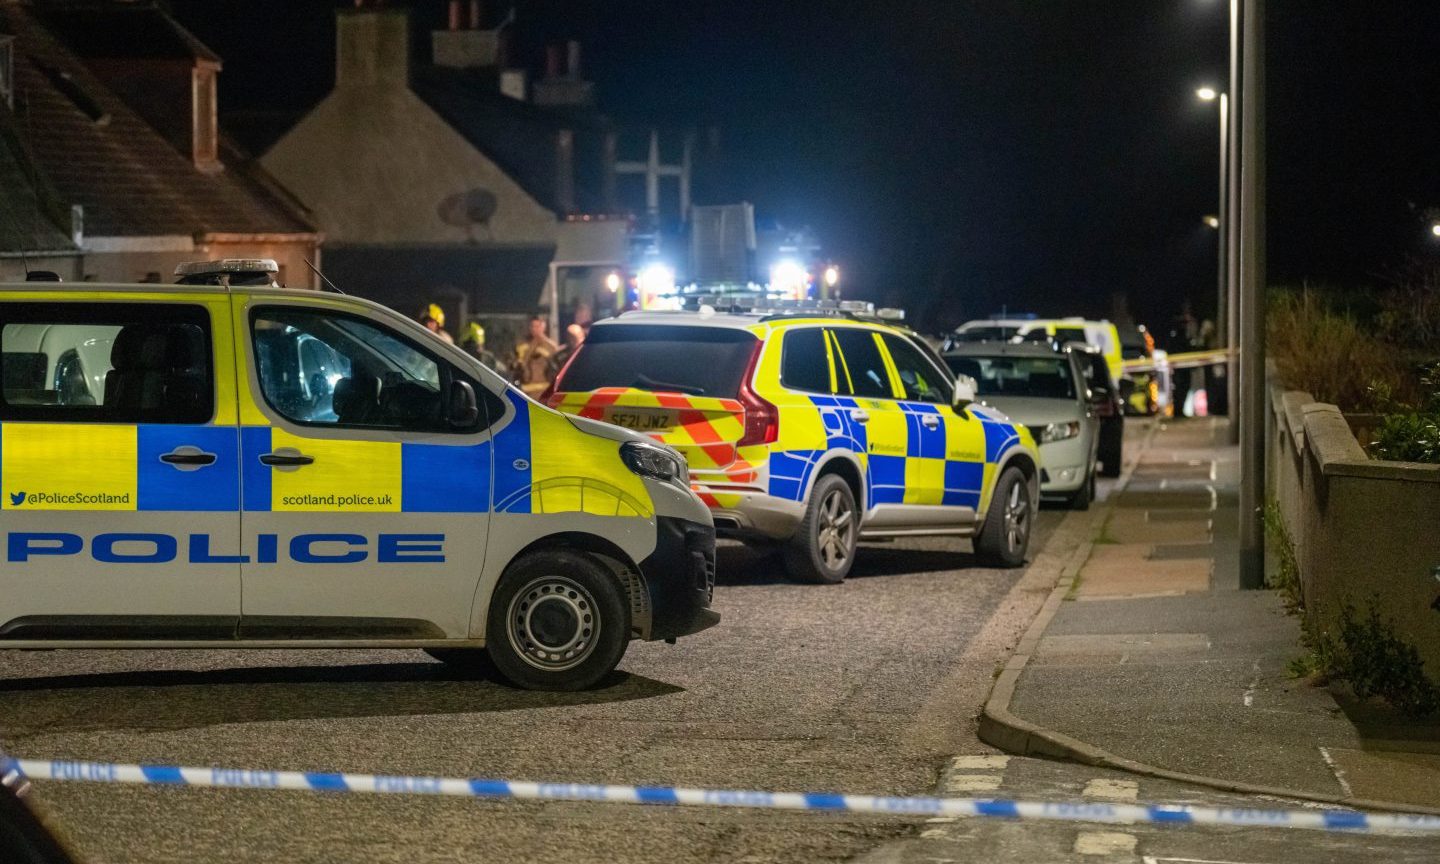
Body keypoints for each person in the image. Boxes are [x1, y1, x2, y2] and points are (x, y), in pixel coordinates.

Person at [513, 314, 559, 396]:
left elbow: (555, 368)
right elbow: (516, 362)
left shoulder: (550, 346)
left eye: (537, 326)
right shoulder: (521, 344)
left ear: (543, 327)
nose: (534, 329)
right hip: (524, 390)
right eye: (532, 326)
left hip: (542, 391)